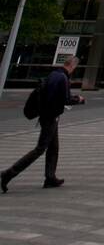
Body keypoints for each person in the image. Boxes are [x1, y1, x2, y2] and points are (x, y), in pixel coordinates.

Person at [1, 55, 85, 192]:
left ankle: (50, 178)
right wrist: (79, 99)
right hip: (50, 117)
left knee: (54, 147)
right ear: (73, 66)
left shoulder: (54, 74)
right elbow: (65, 99)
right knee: (40, 148)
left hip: (48, 115)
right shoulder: (63, 78)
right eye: (75, 67)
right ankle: (8, 174)